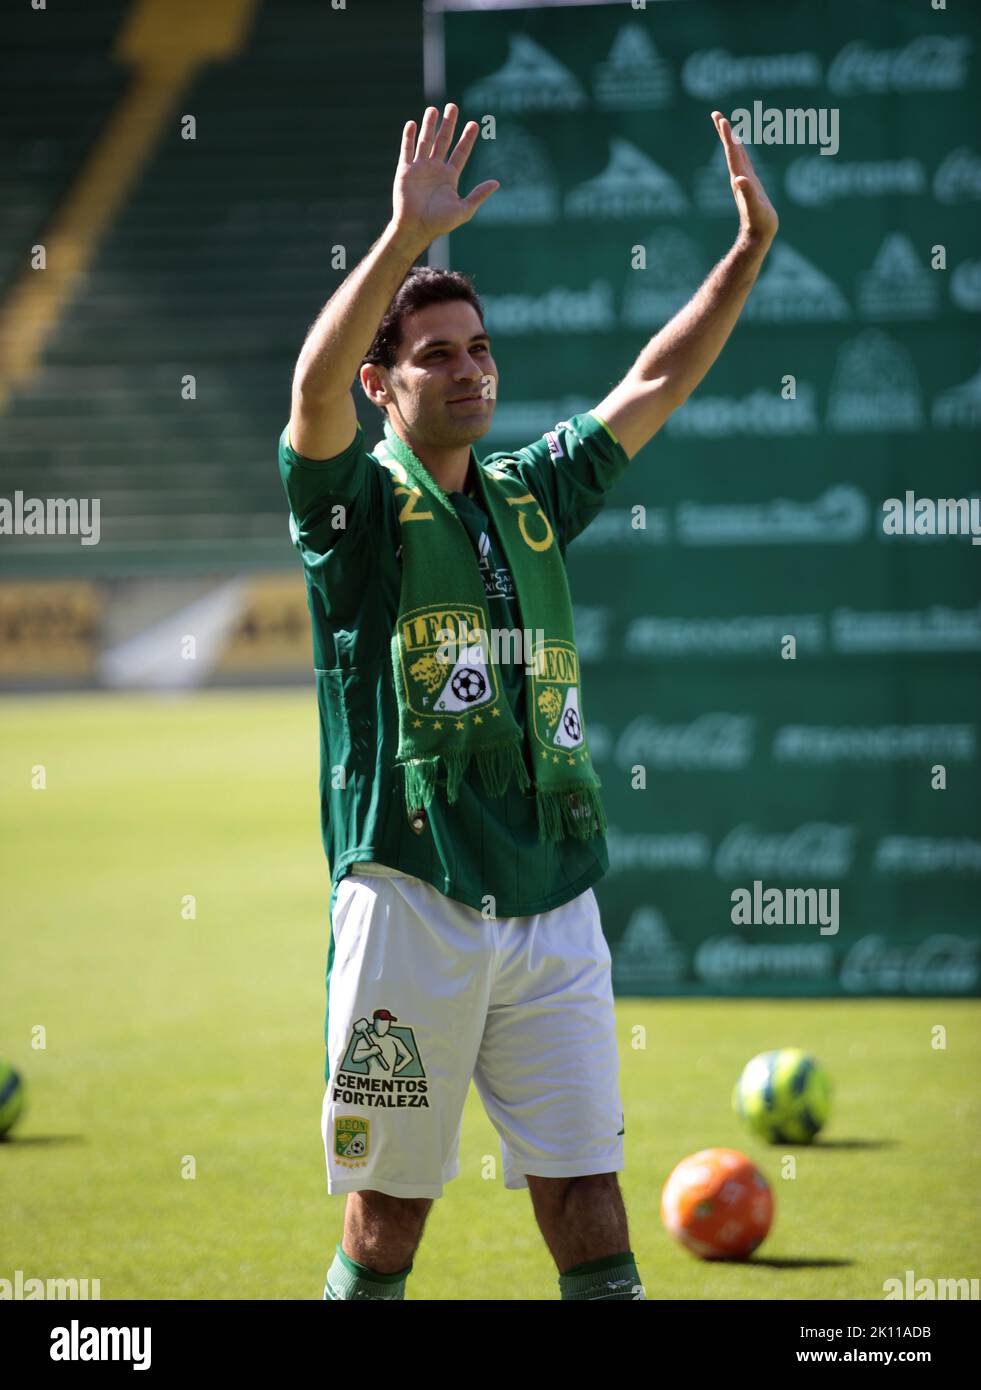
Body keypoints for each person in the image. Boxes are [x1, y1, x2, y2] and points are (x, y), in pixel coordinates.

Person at [279, 103, 777, 1301]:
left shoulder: (531, 489)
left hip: (554, 897)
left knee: (589, 1200)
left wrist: (748, 252)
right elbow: (306, 396)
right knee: (390, 1213)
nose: (468, 369)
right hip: (412, 894)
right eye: (435, 353)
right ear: (383, 384)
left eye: (478, 348)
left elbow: (657, 377)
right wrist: (404, 237)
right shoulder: (353, 514)